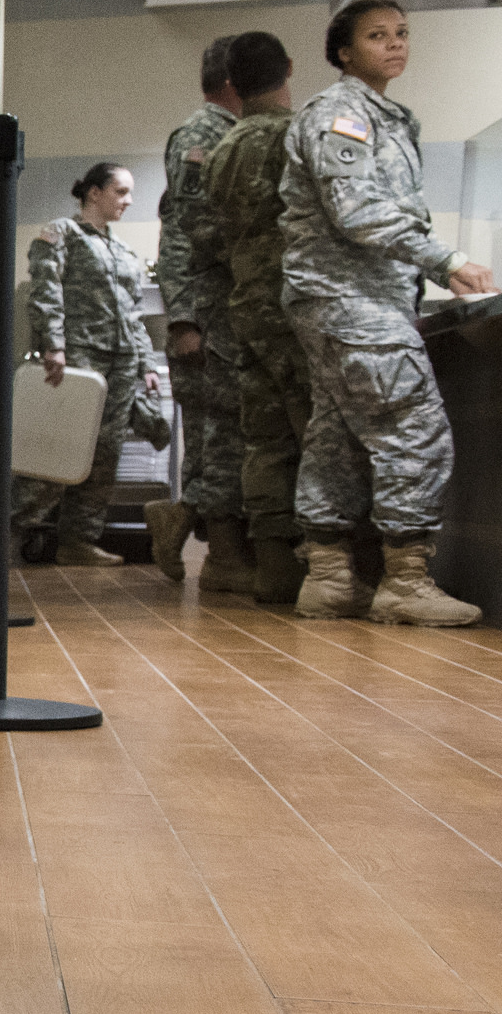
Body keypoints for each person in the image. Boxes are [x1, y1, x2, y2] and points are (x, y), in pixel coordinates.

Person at [280, 0, 492, 624]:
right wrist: (444, 259)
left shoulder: (387, 117)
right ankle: (405, 580)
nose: (395, 45)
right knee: (414, 427)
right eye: (377, 36)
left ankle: (329, 577)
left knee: (336, 436)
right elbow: (356, 210)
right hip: (350, 297)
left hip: (349, 297)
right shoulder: (342, 115)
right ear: (344, 51)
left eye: (401, 34)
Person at [199, 32, 311, 603]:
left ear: (231, 85)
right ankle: (325, 566)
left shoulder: (222, 150)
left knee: (264, 440)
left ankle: (272, 566)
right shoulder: (297, 137)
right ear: (290, 67)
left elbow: (210, 236)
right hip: (297, 305)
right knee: (314, 434)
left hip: (247, 306)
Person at [12, 164, 162, 566]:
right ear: (93, 193)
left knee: (103, 454)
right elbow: (45, 288)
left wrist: (146, 363)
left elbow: (134, 314)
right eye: (120, 191)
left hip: (122, 362)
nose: (128, 201)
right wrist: (54, 345)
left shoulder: (121, 250)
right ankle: (7, 532)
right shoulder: (62, 233)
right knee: (57, 447)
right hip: (78, 358)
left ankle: (77, 541)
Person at [148, 39, 251, 590]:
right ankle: (218, 551)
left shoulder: (230, 135)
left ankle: (188, 525)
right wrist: (184, 319)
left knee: (223, 439)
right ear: (236, 80)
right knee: (220, 438)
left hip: (225, 313)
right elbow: (184, 232)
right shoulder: (201, 135)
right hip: (207, 316)